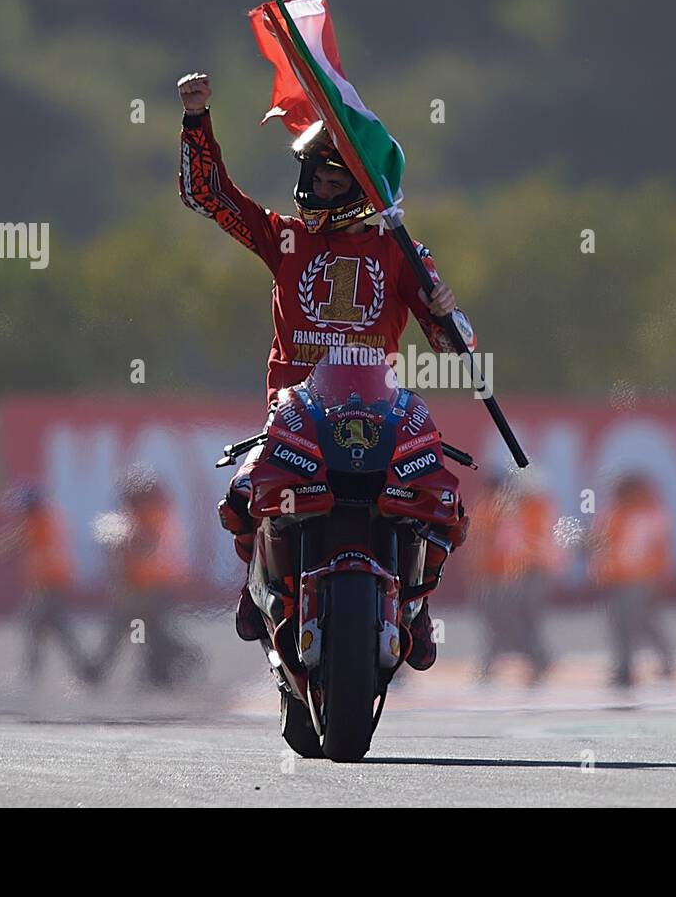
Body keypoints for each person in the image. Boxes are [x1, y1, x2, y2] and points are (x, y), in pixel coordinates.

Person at [176, 71, 473, 670]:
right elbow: (211, 197)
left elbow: (453, 346)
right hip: (295, 416)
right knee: (242, 495)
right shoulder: (284, 238)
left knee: (442, 500)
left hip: (380, 416)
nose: (314, 183)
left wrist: (447, 313)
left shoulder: (402, 253)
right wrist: (196, 121)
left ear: (364, 186)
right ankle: (259, 583)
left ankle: (414, 605)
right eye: (313, 171)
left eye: (331, 174)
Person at [91, 472, 200, 689]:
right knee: (148, 630)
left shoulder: (151, 516)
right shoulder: (148, 515)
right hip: (145, 585)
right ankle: (159, 670)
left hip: (152, 586)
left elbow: (144, 547)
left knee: (139, 630)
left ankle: (100, 671)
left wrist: (125, 545)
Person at [0, 486, 96, 684]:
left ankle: (35, 672)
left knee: (38, 625)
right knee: (57, 628)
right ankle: (85, 670)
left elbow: (14, 541)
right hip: (54, 580)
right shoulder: (49, 517)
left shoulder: (38, 522)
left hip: (48, 582)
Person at [470, 472, 559, 684]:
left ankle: (531, 659)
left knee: (515, 619)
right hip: (508, 573)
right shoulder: (504, 509)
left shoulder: (531, 508)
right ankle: (534, 659)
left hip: (524, 571)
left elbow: (521, 544)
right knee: (507, 619)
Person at [589, 475, 676, 687]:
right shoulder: (612, 514)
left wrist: (660, 576)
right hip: (617, 578)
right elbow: (602, 545)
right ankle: (629, 664)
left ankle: (628, 667)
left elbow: (658, 550)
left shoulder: (650, 514)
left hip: (640, 578)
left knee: (634, 623)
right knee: (622, 624)